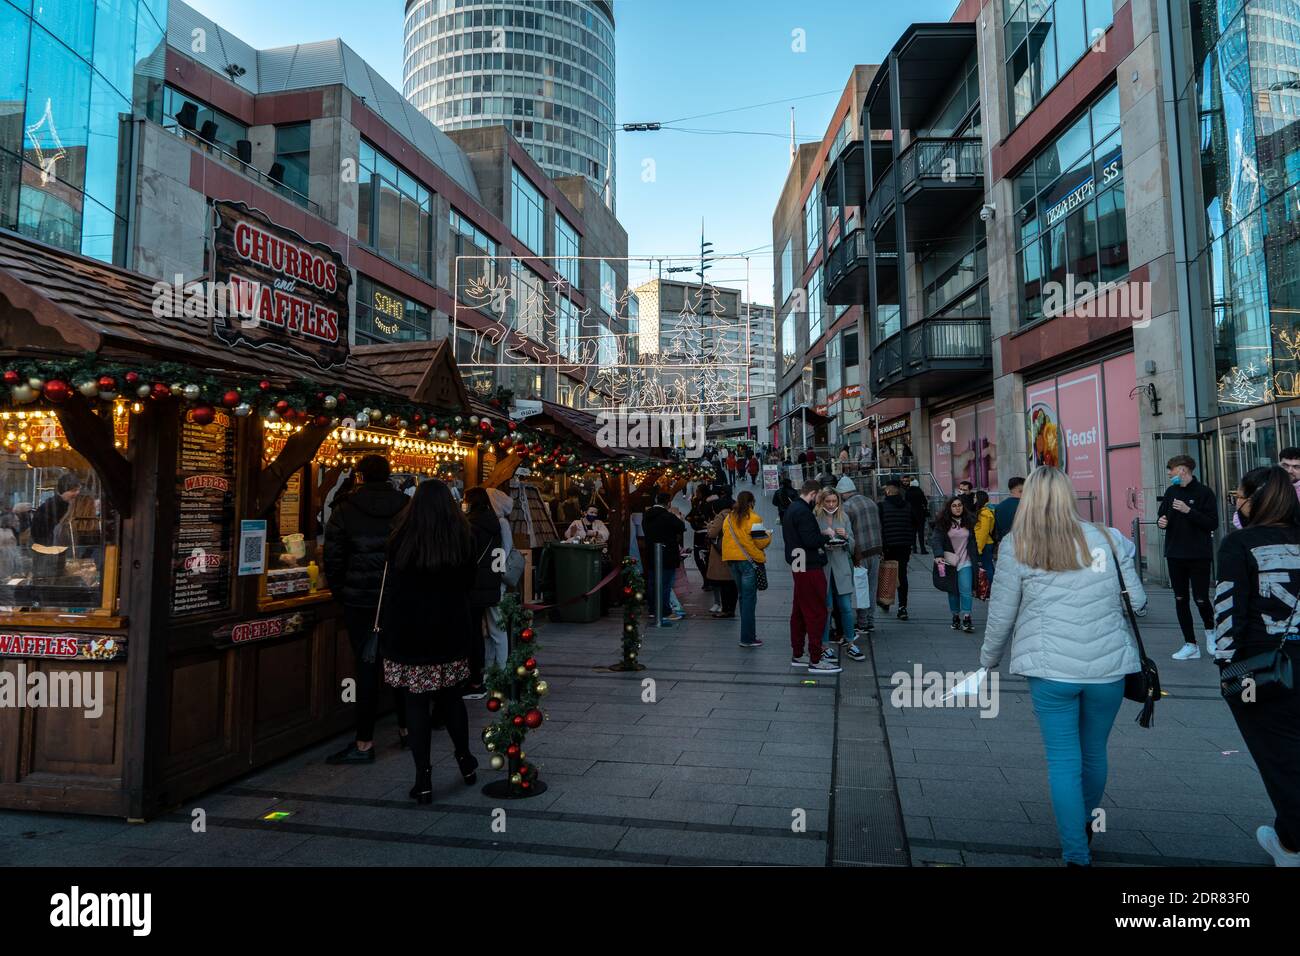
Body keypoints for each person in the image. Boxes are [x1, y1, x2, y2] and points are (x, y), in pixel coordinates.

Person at [980, 466, 1147, 867]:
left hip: (1050, 667)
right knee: (1094, 753)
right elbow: (1138, 602)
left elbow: (1002, 613)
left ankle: (1075, 851)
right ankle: (1086, 823)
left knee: (1062, 760)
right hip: (1107, 669)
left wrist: (988, 660)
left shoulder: (1018, 543)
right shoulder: (1107, 539)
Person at [1212, 465, 1300, 867]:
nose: (1237, 504)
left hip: (1265, 667)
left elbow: (1229, 613)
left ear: (1255, 499)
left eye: (1240, 497)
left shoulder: (1239, 544)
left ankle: (1291, 844)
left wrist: (1227, 669)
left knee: (1280, 757)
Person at [380, 479, 479, 802]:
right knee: (452, 700)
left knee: (416, 704)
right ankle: (465, 759)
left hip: (408, 633)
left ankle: (423, 778)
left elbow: (393, 585)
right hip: (449, 631)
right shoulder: (462, 537)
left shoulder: (400, 538)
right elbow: (469, 585)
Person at [323, 455, 411, 762]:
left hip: (360, 602)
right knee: (400, 664)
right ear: (389, 475)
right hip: (398, 599)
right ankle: (406, 730)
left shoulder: (345, 509)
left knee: (366, 668)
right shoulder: (405, 507)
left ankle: (364, 742)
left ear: (359, 475)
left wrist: (340, 591)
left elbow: (332, 557)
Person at [1157, 454, 1218, 660]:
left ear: (1183, 470)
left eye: (1171, 470)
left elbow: (1212, 523)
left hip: (1198, 554)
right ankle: (1190, 644)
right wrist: (1161, 521)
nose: (1169, 473)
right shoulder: (1171, 491)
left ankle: (1211, 633)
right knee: (1180, 599)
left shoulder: (1204, 493)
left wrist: (1188, 510)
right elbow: (1162, 514)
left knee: (1201, 598)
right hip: (1175, 553)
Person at [782, 479, 840, 674]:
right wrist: (826, 536)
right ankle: (816, 659)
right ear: (814, 494)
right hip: (809, 566)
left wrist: (818, 532)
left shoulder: (792, 509)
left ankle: (798, 653)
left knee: (799, 610)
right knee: (816, 611)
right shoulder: (804, 512)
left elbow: (800, 537)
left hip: (798, 564)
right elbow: (811, 540)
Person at [463, 487, 504, 699]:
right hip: (489, 584)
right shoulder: (494, 523)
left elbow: (466, 557)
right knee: (487, 631)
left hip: (472, 586)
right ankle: (483, 674)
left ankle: (474, 678)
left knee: (472, 633)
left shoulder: (470, 525)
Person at [816, 488, 865, 662]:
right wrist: (822, 540)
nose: (831, 505)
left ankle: (850, 642)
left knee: (845, 607)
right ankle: (824, 645)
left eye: (834, 502)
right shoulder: (817, 518)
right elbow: (812, 542)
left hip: (842, 568)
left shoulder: (843, 518)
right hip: (825, 569)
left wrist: (846, 538)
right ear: (822, 502)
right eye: (827, 502)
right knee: (826, 608)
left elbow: (852, 545)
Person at [720, 490, 770, 647]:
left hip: (731, 560)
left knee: (742, 597)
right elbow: (761, 542)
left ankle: (746, 634)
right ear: (751, 502)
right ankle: (747, 638)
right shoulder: (754, 518)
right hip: (748, 562)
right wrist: (768, 534)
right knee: (749, 600)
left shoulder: (728, 518)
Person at [837, 475, 881, 637]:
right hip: (876, 549)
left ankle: (861, 623)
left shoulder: (847, 507)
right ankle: (870, 621)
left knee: (860, 588)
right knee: (872, 586)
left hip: (860, 553)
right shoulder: (871, 502)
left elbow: (848, 533)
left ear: (842, 493)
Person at [932, 495, 979, 633]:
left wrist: (978, 559)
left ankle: (967, 618)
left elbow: (973, 542)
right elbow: (936, 540)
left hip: (966, 562)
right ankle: (955, 616)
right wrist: (938, 555)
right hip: (949, 562)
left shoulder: (969, 521)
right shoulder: (943, 523)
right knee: (953, 591)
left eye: (959, 505)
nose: (957, 508)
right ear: (949, 508)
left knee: (966, 590)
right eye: (954, 506)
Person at [642, 491, 686, 626]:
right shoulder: (667, 516)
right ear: (668, 503)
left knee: (652, 582)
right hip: (667, 554)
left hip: (651, 553)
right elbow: (681, 527)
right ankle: (665, 611)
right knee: (666, 583)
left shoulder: (647, 515)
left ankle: (653, 609)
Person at [878, 480, 917, 620]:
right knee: (902, 575)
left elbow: (880, 528)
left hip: (889, 546)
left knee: (888, 573)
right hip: (904, 546)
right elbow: (914, 523)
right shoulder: (907, 505)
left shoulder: (882, 506)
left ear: (888, 490)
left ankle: (885, 601)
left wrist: (881, 546)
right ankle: (902, 607)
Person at [973, 489, 997, 588]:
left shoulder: (985, 513)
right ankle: (992, 588)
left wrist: (979, 548)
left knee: (986, 567)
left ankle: (990, 589)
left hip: (985, 544)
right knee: (989, 566)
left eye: (975, 497)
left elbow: (983, 532)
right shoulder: (986, 510)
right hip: (986, 543)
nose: (973, 499)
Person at [993, 476, 1024, 545]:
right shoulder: (1026, 506)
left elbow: (997, 530)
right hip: (1023, 544)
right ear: (1022, 489)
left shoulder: (998, 507)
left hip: (1005, 544)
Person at [904, 476, 929, 554]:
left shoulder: (907, 492)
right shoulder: (920, 491)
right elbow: (925, 502)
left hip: (911, 514)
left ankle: (914, 548)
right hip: (920, 514)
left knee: (913, 532)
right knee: (921, 532)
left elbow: (906, 503)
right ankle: (922, 549)